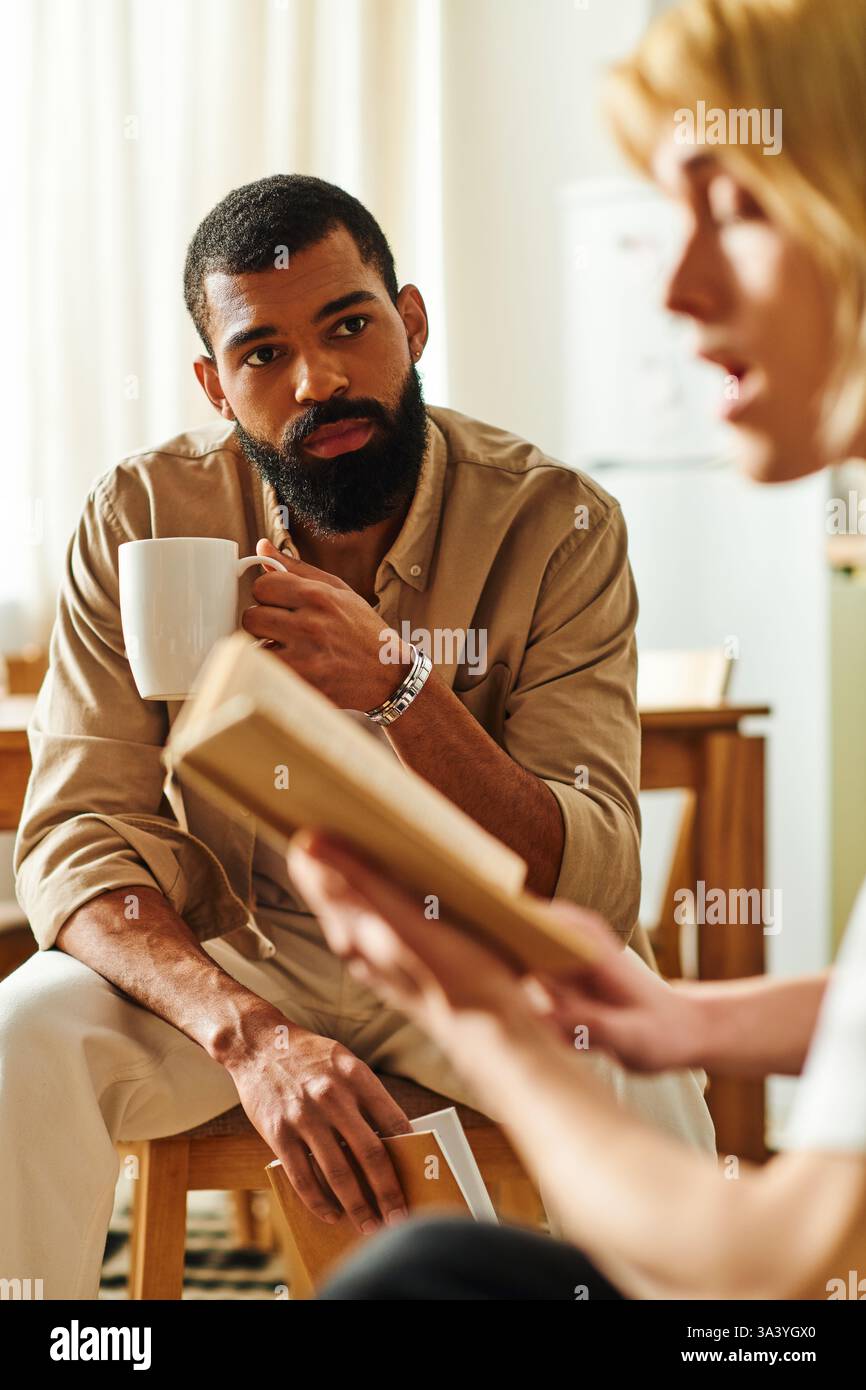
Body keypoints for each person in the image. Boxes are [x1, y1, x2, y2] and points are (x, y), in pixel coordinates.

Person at [0, 174, 713, 1300]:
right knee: (22, 1031)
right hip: (232, 953)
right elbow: (79, 833)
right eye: (262, 354)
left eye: (348, 326)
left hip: (466, 955)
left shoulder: (555, 521)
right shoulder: (141, 517)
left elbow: (593, 880)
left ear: (411, 320)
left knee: (630, 1036)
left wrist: (398, 685)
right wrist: (247, 1035)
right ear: (214, 383)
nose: (317, 381)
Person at [285, 0, 866, 1300]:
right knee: (431, 1269)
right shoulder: (142, 517)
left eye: (744, 209)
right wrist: (691, 1020)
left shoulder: (552, 517)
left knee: (409, 1287)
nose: (674, 287)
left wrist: (479, 1022)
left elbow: (760, 1259)